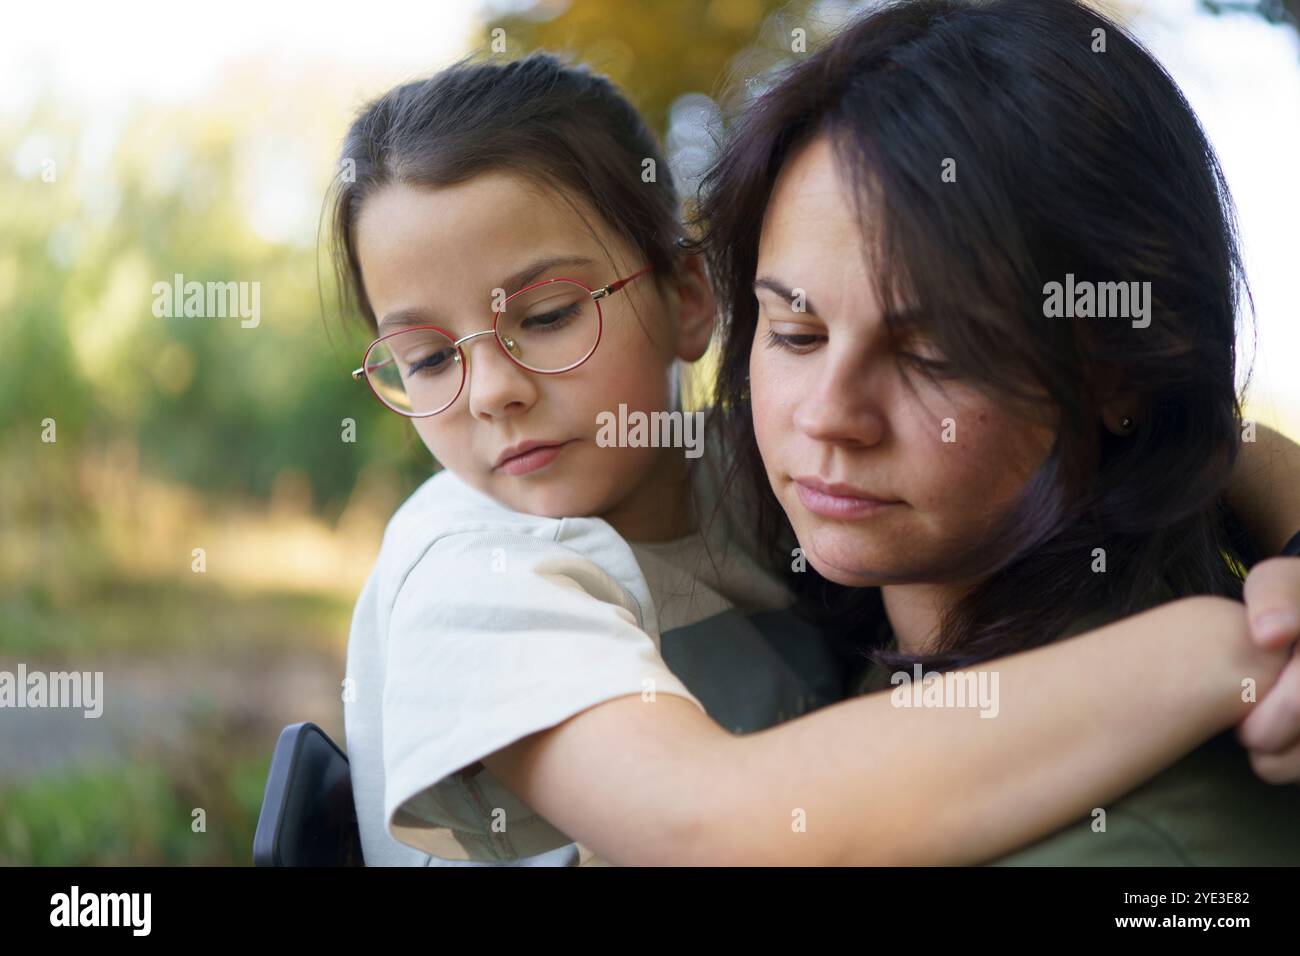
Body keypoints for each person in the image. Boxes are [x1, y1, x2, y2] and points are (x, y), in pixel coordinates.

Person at [332, 44, 1300, 867]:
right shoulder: (471, 571)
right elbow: (709, 819)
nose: (491, 389)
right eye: (424, 358)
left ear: (690, 297)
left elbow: (1209, 427)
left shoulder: (743, 470)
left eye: (545, 317)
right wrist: (1219, 652)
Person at [693, 0, 1300, 863]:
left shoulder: (1153, 844)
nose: (828, 415)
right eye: (796, 333)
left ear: (1123, 374)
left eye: (932, 355)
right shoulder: (795, 604)